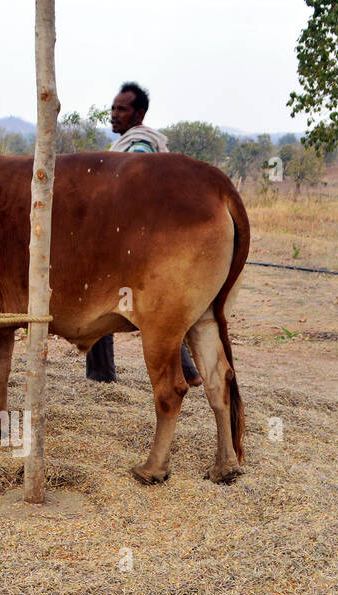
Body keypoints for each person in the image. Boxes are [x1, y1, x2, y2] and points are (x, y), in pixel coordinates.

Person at [86, 82, 201, 387]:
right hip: (129, 240)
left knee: (111, 304)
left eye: (121, 109)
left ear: (139, 113)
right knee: (148, 308)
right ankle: (188, 371)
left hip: (134, 244)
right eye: (113, 108)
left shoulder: (139, 149)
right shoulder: (129, 144)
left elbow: (138, 197)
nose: (114, 114)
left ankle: (102, 376)